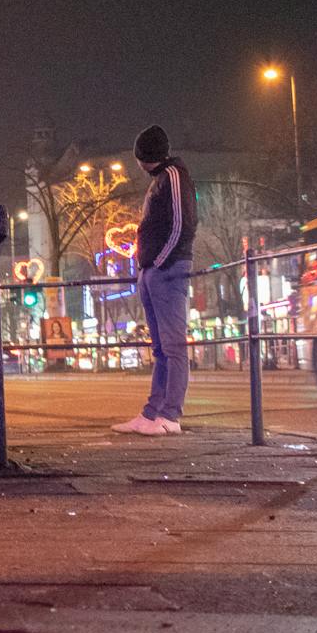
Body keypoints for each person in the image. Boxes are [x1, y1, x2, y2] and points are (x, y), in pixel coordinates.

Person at [112, 125, 198, 436]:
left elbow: (181, 223)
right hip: (154, 269)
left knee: (172, 347)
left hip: (166, 269)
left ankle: (169, 415)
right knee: (161, 347)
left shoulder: (173, 177)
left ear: (144, 157)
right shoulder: (163, 178)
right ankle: (152, 413)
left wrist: (159, 263)